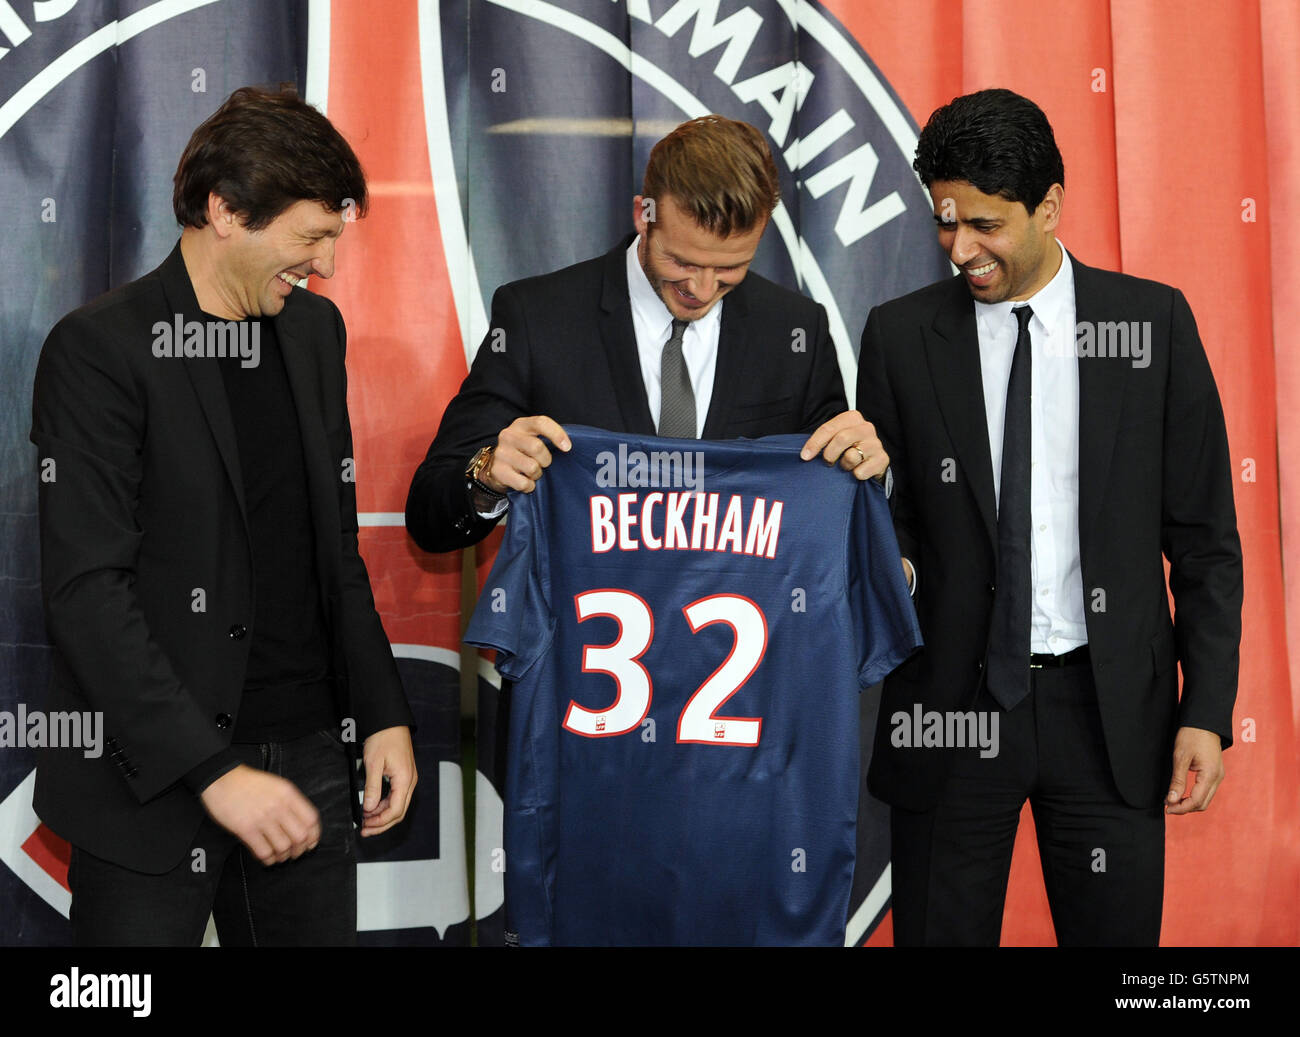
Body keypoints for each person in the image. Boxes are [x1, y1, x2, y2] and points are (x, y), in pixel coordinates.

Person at [30, 85, 417, 946]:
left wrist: (382, 710)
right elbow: (89, 593)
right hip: (150, 782)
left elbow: (333, 549)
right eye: (312, 236)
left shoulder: (315, 333)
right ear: (227, 210)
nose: (325, 264)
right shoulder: (100, 349)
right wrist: (212, 769)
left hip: (311, 765)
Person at [855, 89, 1242, 945]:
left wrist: (1206, 710)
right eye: (946, 223)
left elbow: (1207, 541)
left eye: (985, 225)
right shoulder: (898, 335)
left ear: (1051, 205)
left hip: (1110, 716)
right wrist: (890, 555)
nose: (960, 249)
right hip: (952, 712)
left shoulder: (1152, 325)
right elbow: (897, 526)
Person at [405, 115, 887, 552]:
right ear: (644, 215)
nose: (700, 289)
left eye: (729, 269)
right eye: (682, 261)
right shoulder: (537, 317)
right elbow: (430, 517)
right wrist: (487, 477)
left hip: (747, 636)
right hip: (581, 639)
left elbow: (834, 502)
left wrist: (863, 465)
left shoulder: (795, 330)